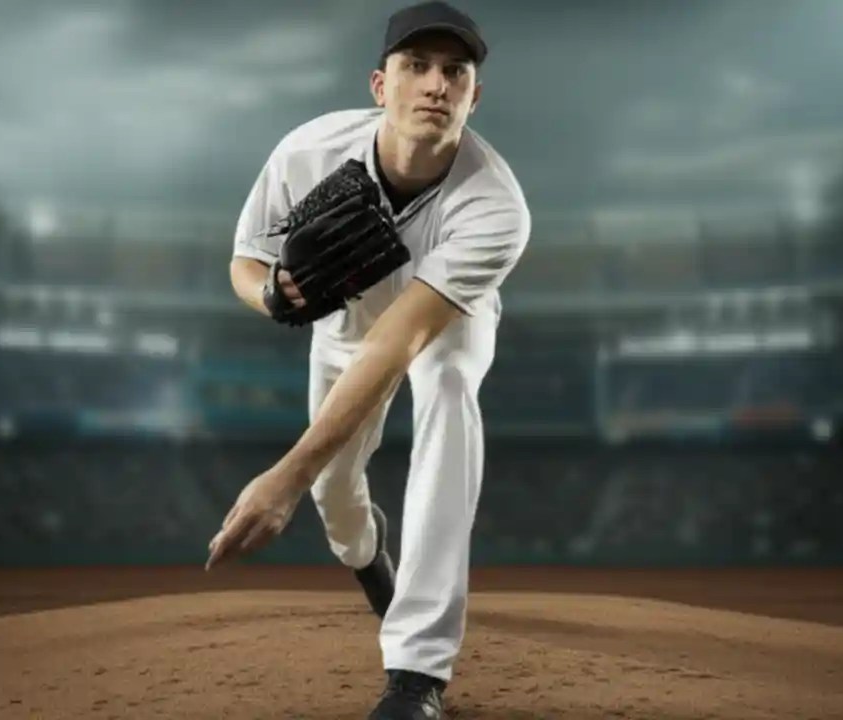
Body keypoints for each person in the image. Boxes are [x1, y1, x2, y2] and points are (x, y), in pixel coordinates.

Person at [207, 2, 529, 717]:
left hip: (445, 322)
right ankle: (368, 562)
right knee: (335, 497)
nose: (435, 85)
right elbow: (244, 259)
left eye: (455, 71)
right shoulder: (307, 151)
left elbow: (402, 339)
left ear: (475, 95)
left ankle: (419, 671)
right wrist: (273, 298)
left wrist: (286, 472)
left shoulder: (495, 207)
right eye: (416, 66)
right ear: (380, 85)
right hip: (343, 324)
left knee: (447, 388)